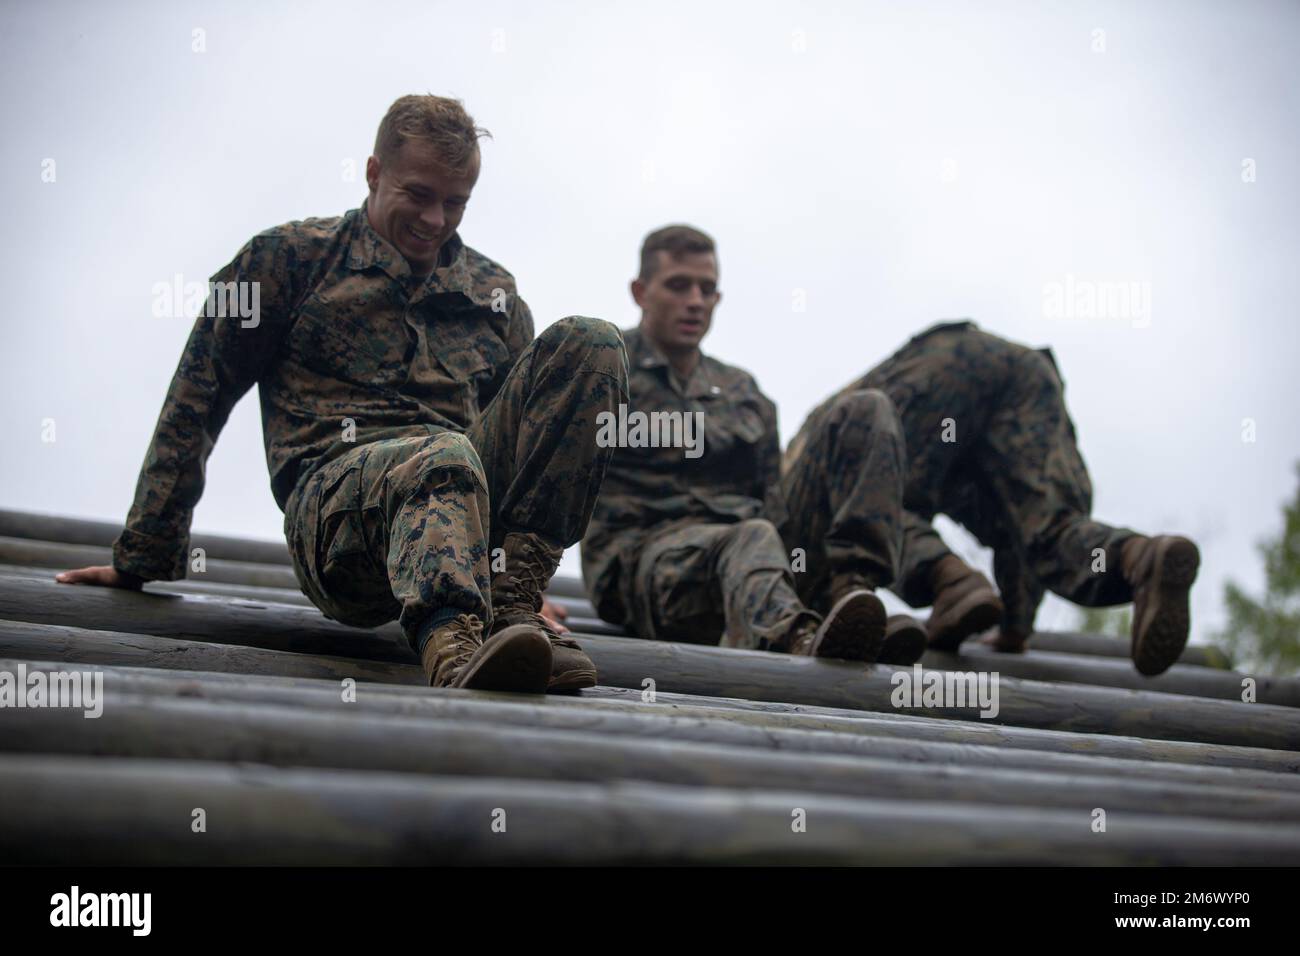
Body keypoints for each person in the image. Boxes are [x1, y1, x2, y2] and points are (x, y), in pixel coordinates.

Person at [57, 95, 629, 693]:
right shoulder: (289, 262)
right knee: (441, 452)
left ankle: (512, 610)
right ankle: (453, 644)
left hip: (464, 506)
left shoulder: (492, 294)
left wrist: (515, 572)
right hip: (341, 527)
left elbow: (533, 440)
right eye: (419, 195)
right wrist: (142, 555)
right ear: (374, 173)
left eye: (455, 202)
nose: (436, 219)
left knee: (592, 344)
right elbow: (196, 399)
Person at [581, 225, 926, 665]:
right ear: (640, 291)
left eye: (708, 290)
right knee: (751, 536)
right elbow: (550, 483)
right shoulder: (606, 373)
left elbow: (773, 502)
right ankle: (795, 639)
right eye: (679, 285)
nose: (695, 301)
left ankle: (851, 592)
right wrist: (524, 592)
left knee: (866, 409)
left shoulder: (741, 390)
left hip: (755, 561)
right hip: (651, 569)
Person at [791, 321, 1199, 675]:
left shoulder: (805, 459)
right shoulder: (964, 472)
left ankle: (952, 583)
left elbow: (869, 506)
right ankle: (1139, 558)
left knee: (879, 504)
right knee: (1046, 526)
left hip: (947, 367)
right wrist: (1015, 627)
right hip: (1025, 374)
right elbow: (1018, 539)